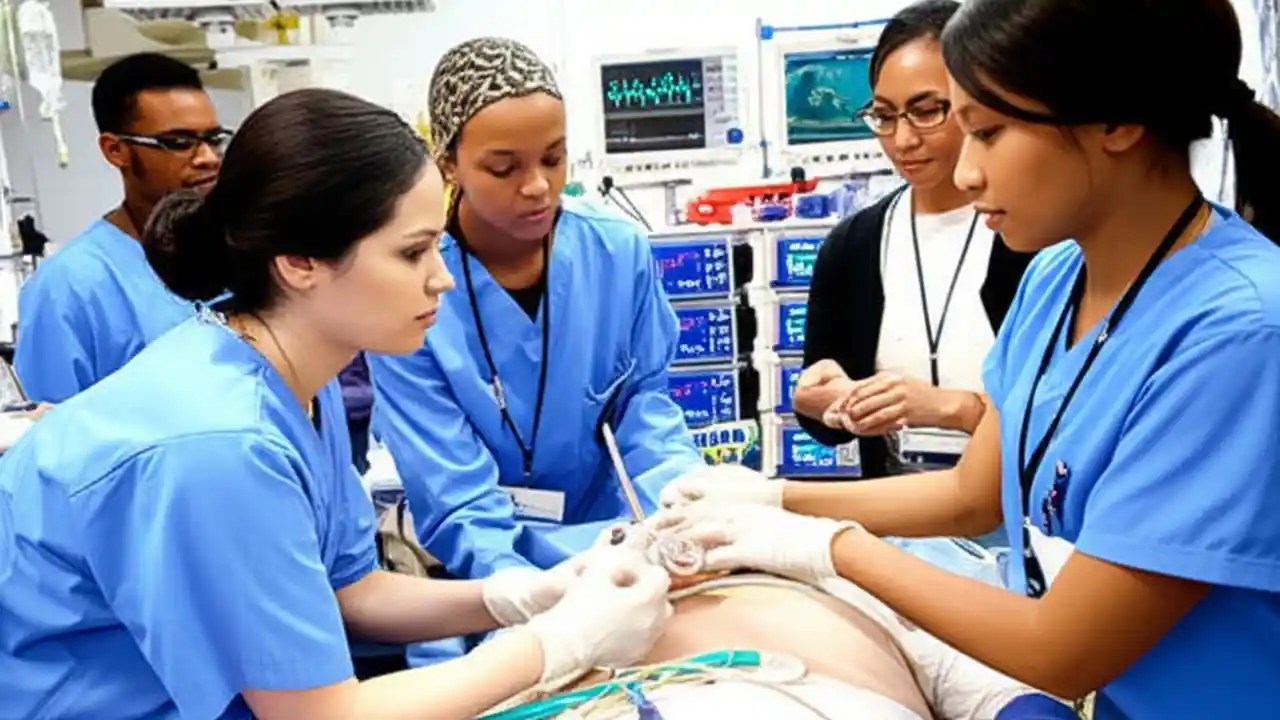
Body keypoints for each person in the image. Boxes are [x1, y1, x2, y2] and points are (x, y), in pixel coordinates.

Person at [657, 0, 1280, 717]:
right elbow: (971, 495)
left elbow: (1062, 648)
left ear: (1116, 121)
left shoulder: (1237, 334)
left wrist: (831, 548)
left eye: (985, 132)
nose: (968, 171)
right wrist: (769, 499)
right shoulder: (1054, 281)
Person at [0, 88, 672, 720]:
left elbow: (351, 592)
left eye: (436, 246)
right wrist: (562, 643)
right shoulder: (221, 441)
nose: (441, 278)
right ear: (300, 263)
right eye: (411, 254)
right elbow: (321, 712)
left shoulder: (295, 379)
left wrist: (521, 594)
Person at [369, 37, 703, 582]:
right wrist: (517, 589)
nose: (538, 187)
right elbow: (449, 483)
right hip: (472, 570)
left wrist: (680, 514)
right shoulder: (410, 287)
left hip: (619, 543)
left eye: (554, 157)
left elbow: (647, 412)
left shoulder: (617, 255)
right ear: (448, 164)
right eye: (503, 169)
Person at [796, 0, 1034, 479]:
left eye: (927, 112)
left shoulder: (1033, 233)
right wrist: (831, 404)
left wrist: (954, 408)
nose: (903, 140)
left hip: (1021, 518)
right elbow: (826, 423)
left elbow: (1068, 420)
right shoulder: (854, 245)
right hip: (900, 519)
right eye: (885, 116)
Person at [490, 530, 1073, 720]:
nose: (674, 537)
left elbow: (1004, 692)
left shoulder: (851, 588)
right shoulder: (574, 619)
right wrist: (552, 631)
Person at [14, 53, 230, 403]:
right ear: (116, 150)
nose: (207, 157)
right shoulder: (71, 286)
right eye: (178, 142)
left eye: (214, 139)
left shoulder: (245, 254)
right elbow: (47, 438)